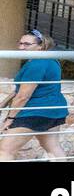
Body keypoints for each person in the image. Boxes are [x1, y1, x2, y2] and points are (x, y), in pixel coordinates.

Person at [0, 30, 67, 162]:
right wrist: (3, 104)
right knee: (52, 148)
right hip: (53, 111)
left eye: (26, 44)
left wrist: (10, 118)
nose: (21, 48)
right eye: (20, 43)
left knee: (5, 150)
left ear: (40, 46)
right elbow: (19, 90)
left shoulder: (37, 64)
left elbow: (23, 96)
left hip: (35, 112)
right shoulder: (50, 60)